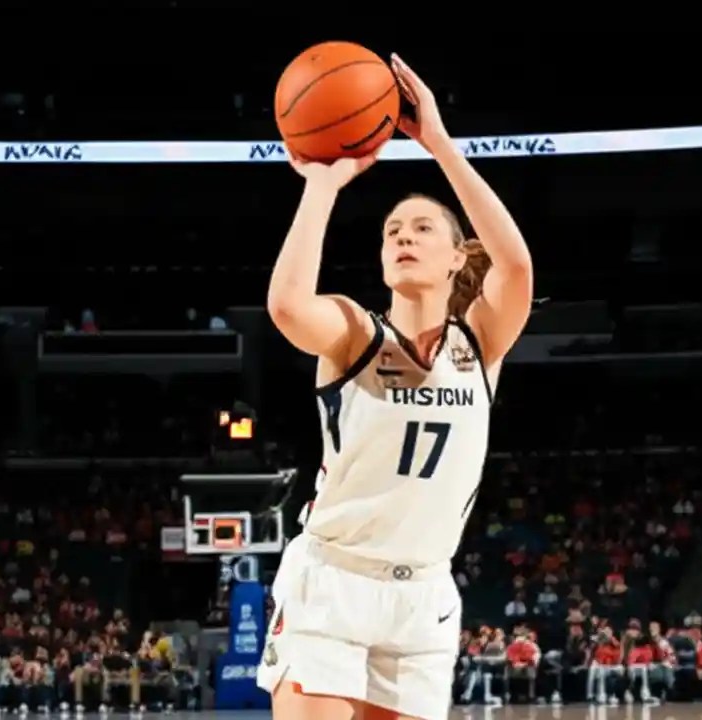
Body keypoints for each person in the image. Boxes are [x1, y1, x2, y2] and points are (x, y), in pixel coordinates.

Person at [257, 53, 534, 720]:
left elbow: (517, 262)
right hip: (333, 581)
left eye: (421, 229)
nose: (404, 236)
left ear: (457, 255)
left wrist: (438, 142)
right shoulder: (357, 332)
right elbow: (289, 307)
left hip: (421, 598)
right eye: (392, 232)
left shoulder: (480, 345)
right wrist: (323, 183)